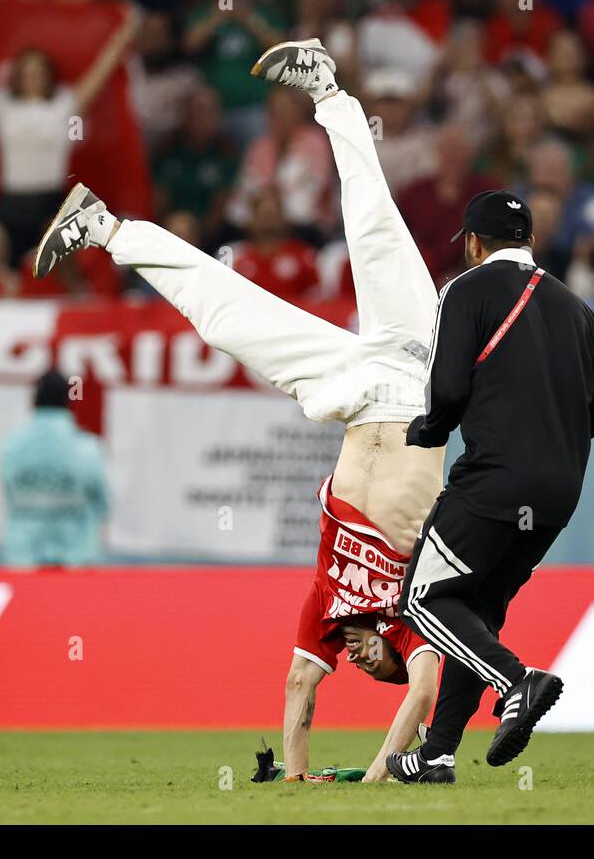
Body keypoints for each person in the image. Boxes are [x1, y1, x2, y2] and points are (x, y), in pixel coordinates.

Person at [32, 39, 444, 783]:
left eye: (351, 660)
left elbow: (296, 689)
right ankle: (326, 85)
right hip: (419, 375)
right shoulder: (415, 618)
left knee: (228, 321)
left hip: (350, 391)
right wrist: (383, 775)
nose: (351, 656)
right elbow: (422, 694)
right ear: (387, 656)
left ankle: (104, 228)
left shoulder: (327, 605)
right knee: (374, 225)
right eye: (364, 660)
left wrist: (295, 775)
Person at [388, 189, 594, 784]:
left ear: (472, 242)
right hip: (559, 490)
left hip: (496, 478)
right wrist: (556, 436)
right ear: (530, 242)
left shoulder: (464, 292)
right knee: (475, 612)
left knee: (424, 598)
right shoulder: (576, 306)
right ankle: (438, 754)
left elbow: (445, 391)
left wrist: (429, 430)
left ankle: (520, 682)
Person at [0, 4, 139, 262]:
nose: (33, 76)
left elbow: (103, 68)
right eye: (27, 71)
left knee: (63, 266)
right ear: (17, 75)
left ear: (49, 74)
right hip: (10, 203)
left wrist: (126, 29)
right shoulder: (3, 105)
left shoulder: (63, 105)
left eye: (38, 70)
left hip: (53, 205)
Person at [0, 370, 109, 567]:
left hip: (23, 557)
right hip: (76, 558)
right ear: (69, 402)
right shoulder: (86, 447)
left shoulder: (11, 445)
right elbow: (102, 501)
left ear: (34, 401)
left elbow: (7, 491)